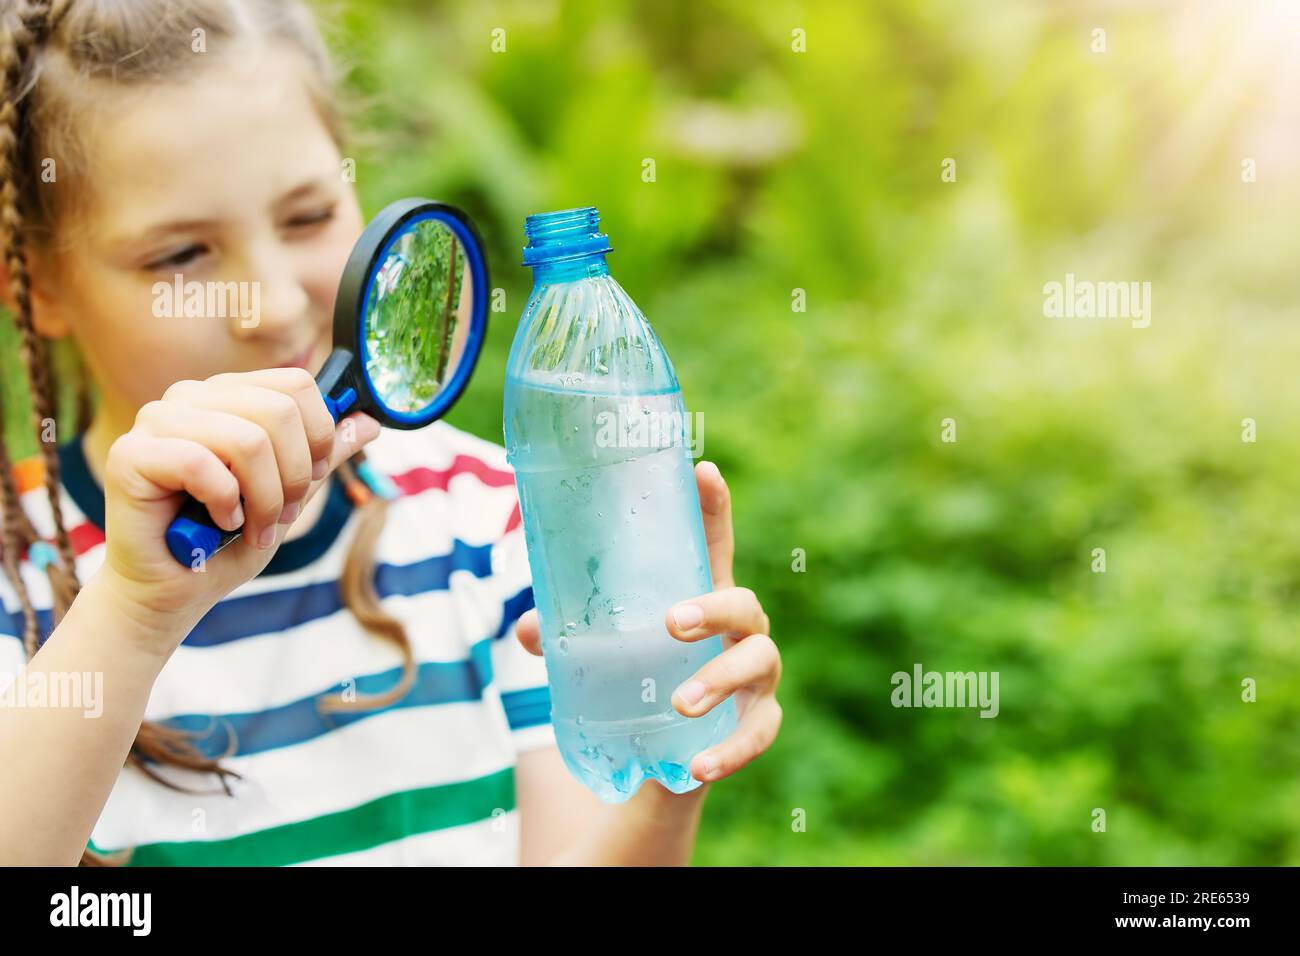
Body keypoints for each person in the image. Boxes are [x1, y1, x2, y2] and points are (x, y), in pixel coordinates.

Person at [0, 0, 782, 866]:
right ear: (36, 287)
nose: (275, 305)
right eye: (181, 256)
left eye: (306, 218)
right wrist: (133, 617)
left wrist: (671, 766)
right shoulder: (17, 585)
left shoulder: (490, 526)